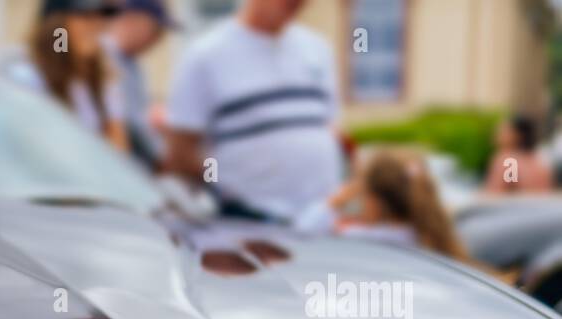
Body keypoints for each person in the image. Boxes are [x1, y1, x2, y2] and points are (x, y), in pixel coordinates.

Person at [163, 0, 344, 221]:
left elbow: (327, 126)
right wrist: (224, 188)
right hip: (247, 222)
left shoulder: (318, 49)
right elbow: (181, 152)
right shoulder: (205, 55)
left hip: (319, 219)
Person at [298, 150, 466, 259]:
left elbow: (302, 233)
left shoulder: (362, 239)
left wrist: (337, 200)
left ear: (373, 201)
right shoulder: (429, 238)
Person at [32, 0, 129, 152]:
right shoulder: (28, 76)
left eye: (101, 16)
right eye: (85, 16)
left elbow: (117, 148)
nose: (97, 24)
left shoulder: (98, 76)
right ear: (57, 22)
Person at [105, 0, 176, 168]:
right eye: (156, 30)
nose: (158, 39)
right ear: (134, 20)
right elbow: (132, 125)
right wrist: (165, 159)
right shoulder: (105, 58)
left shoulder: (132, 65)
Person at [484, 115, 553, 194]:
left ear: (516, 135)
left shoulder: (506, 160)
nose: (496, 135)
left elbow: (492, 194)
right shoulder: (539, 160)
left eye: (502, 131)